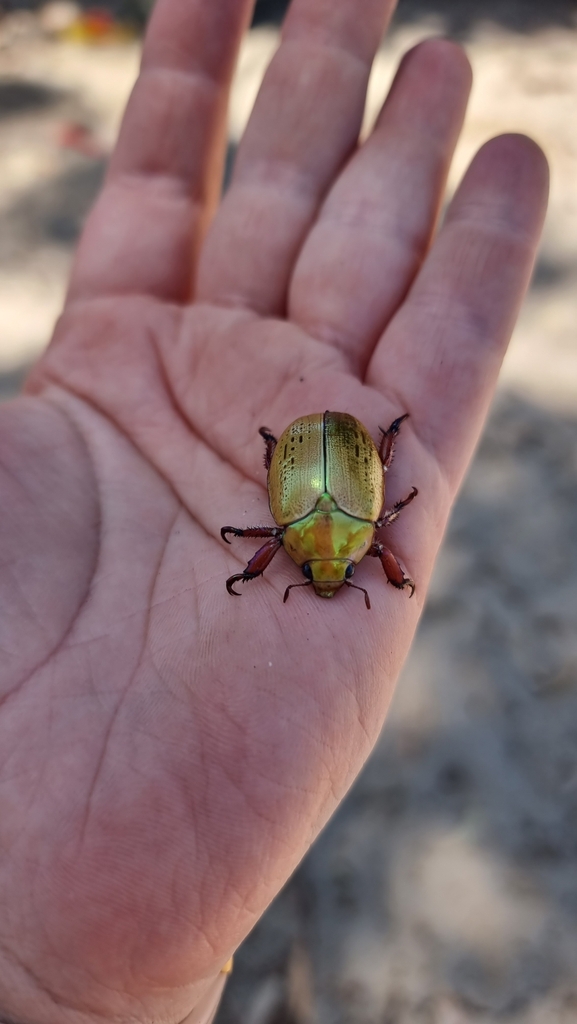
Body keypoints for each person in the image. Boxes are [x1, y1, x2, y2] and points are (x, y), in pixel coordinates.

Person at [0, 0, 548, 1021]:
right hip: (328, 457)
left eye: (327, 569)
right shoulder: (334, 540)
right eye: (339, 567)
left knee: (305, 503)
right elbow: (332, 544)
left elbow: (291, 547)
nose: (328, 573)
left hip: (317, 456)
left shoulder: (300, 540)